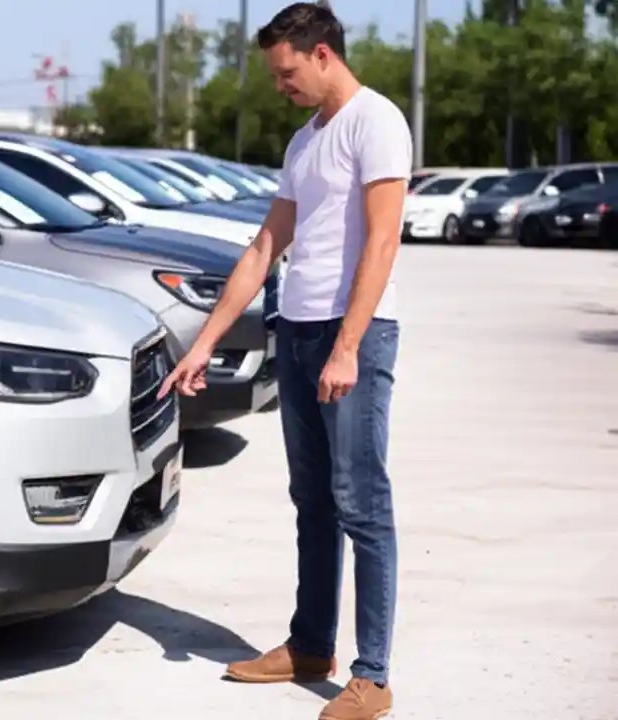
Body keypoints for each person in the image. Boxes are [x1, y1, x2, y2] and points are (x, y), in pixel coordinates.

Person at [158, 3, 411, 719]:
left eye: (287, 71)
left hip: (350, 335)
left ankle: (374, 675)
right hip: (295, 332)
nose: (281, 86)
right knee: (313, 502)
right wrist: (202, 344)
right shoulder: (305, 141)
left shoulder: (377, 121)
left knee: (363, 503)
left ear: (322, 53)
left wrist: (349, 346)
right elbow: (264, 248)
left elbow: (383, 242)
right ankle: (309, 645)